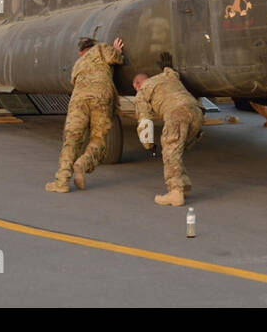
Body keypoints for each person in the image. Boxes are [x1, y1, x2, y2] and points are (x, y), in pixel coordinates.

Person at [45, 36, 124, 194]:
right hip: (101, 95)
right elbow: (116, 58)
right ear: (94, 45)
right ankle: (83, 163)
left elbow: (74, 82)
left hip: (79, 99)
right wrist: (117, 50)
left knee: (72, 139)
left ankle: (62, 181)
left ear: (81, 53)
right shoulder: (101, 48)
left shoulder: (78, 64)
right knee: (98, 139)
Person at [133, 53, 203, 206]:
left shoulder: (142, 92)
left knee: (170, 150)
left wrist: (148, 144)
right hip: (197, 112)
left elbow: (145, 121)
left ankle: (175, 192)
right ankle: (184, 183)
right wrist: (167, 67)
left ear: (137, 85)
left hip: (177, 113)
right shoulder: (167, 76)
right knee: (176, 149)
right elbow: (172, 72)